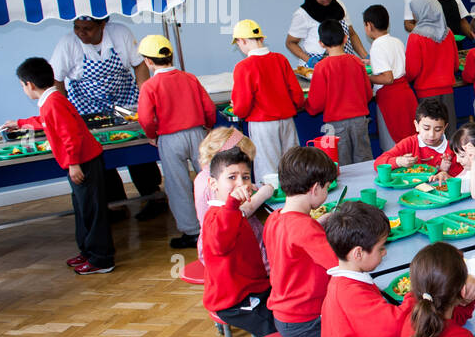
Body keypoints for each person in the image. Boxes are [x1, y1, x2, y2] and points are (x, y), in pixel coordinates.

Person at [200, 147, 293, 337]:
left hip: (253, 288)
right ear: (213, 183)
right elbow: (219, 243)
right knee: (278, 330)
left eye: (245, 176)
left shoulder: (232, 210)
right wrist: (232, 204)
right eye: (231, 177)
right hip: (234, 299)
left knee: (287, 311)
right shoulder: (217, 215)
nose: (240, 183)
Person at [49, 14, 163, 221]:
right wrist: (64, 113)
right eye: (77, 27)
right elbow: (57, 81)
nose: (81, 33)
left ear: (103, 25)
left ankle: (153, 196)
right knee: (99, 152)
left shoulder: (120, 34)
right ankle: (116, 205)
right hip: (86, 105)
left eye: (87, 28)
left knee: (135, 147)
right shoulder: (68, 44)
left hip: (124, 99)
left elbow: (139, 65)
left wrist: (146, 103)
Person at [9, 57, 114, 274]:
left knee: (92, 212)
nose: (24, 90)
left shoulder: (54, 102)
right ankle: (87, 251)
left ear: (30, 84)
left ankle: (102, 259)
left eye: (22, 86)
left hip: (83, 162)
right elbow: (45, 121)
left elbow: (71, 136)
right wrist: (19, 123)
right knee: (82, 209)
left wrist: (74, 164)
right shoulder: (51, 101)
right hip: (77, 162)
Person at [320, 201, 412, 337]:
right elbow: (397, 324)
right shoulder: (352, 294)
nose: (385, 253)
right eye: (381, 248)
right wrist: (415, 296)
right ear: (358, 253)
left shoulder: (343, 282)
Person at [135, 33, 217, 249]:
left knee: (178, 185)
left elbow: (144, 118)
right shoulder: (189, 77)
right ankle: (218, 221)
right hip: (197, 133)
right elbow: (209, 107)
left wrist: (152, 135)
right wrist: (208, 125)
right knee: (211, 179)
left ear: (148, 61)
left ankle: (192, 231)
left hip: (170, 138)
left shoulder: (150, 87)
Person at [263, 145, 339, 337]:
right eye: (327, 188)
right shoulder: (305, 228)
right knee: (365, 336)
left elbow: (293, 242)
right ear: (315, 189)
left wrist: (318, 223)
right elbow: (340, 266)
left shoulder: (274, 218)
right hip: (307, 322)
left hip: (285, 316)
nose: (327, 193)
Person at [230, 18, 304, 182]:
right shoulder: (280, 59)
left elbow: (242, 107)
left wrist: (236, 108)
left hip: (263, 124)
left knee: (269, 171)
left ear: (241, 41)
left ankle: (274, 205)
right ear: (262, 39)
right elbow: (297, 94)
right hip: (287, 121)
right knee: (293, 166)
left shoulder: (243, 67)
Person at [194, 127, 273, 268]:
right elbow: (238, 214)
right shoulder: (211, 184)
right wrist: (262, 194)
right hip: (231, 251)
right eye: (233, 176)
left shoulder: (205, 175)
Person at [304, 20, 373, 165]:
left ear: (321, 43)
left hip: (334, 124)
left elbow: (316, 103)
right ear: (346, 38)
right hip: (360, 120)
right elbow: (368, 93)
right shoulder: (357, 62)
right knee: (364, 162)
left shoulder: (321, 67)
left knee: (340, 165)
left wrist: (307, 106)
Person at [405, 0, 462, 133]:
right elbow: (454, 65)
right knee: (449, 131)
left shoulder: (416, 36)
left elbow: (412, 70)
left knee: (430, 134)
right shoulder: (448, 33)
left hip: (426, 93)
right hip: (448, 90)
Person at [363, 4, 418, 151]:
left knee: (393, 147)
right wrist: (371, 62)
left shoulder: (377, 46)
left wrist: (367, 77)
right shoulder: (397, 41)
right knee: (411, 142)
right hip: (406, 94)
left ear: (369, 25)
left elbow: (388, 78)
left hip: (391, 98)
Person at [286, 0, 365, 67]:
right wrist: (309, 60)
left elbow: (351, 34)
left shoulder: (339, 5)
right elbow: (290, 43)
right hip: (316, 66)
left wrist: (365, 56)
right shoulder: (302, 14)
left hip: (343, 63)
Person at [374, 99, 461, 178]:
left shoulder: (451, 150)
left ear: (445, 128)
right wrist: (398, 161)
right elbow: (378, 164)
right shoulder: (409, 143)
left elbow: (462, 178)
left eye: (438, 129)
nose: (431, 135)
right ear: (416, 126)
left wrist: (444, 171)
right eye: (426, 128)